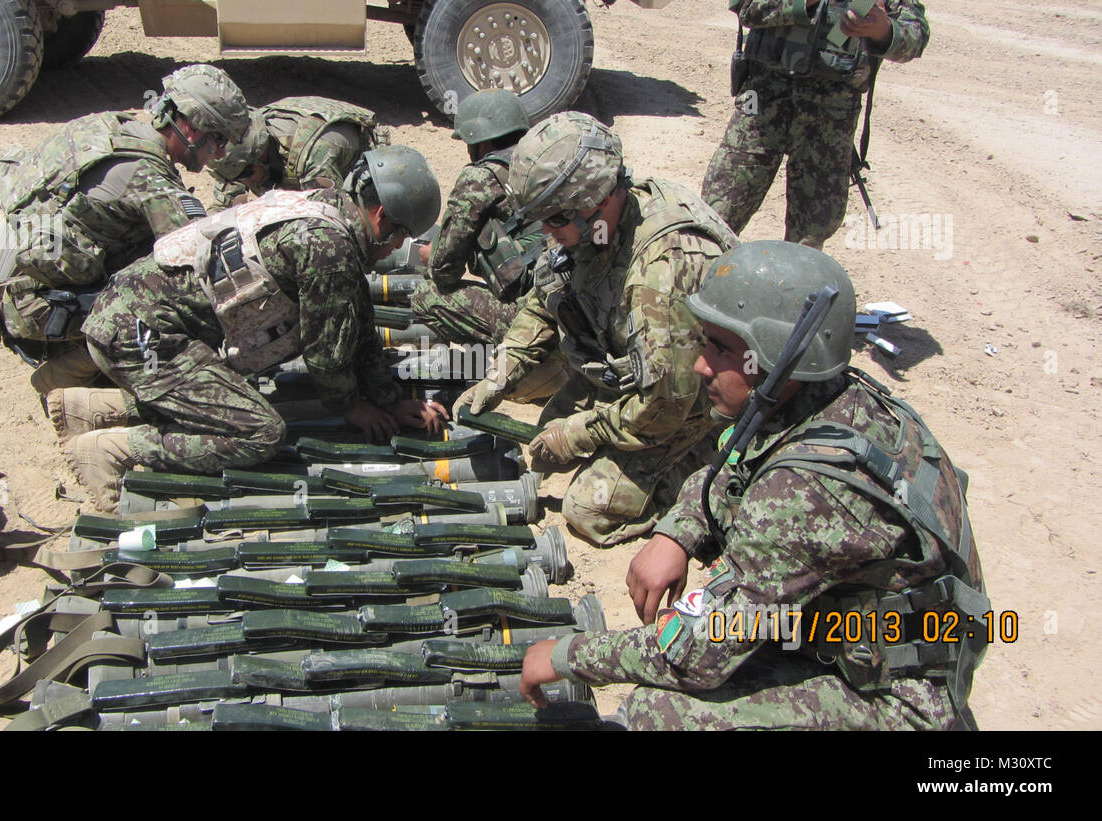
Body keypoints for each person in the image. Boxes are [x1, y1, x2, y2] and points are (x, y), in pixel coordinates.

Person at [518, 240, 988, 730]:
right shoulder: (828, 397)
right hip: (856, 643)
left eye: (720, 347)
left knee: (659, 714)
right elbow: (732, 468)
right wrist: (676, 531)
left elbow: (697, 653)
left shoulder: (810, 490)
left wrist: (568, 655)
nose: (701, 364)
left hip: (900, 702)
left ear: (777, 355)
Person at [61, 146, 447, 511]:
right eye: (399, 237)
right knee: (259, 433)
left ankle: (92, 409)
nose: (393, 248)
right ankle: (116, 449)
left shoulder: (325, 207)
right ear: (381, 217)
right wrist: (352, 407)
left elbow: (356, 315)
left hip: (141, 318)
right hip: (141, 338)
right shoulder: (330, 248)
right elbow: (326, 354)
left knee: (221, 391)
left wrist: (389, 399)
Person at [455, 112, 738, 546]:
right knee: (547, 435)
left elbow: (664, 406)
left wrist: (578, 434)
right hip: (635, 374)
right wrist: (502, 370)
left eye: (554, 221)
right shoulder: (590, 224)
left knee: (588, 508)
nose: (547, 232)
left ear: (595, 202)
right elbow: (547, 297)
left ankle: (714, 468)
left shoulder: (661, 273)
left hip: (694, 403)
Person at [0, 64, 250, 396]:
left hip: (2, 285)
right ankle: (62, 376)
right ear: (190, 127)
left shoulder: (110, 128)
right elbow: (201, 267)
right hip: (34, 311)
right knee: (177, 305)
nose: (219, 153)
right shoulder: (151, 180)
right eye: (217, 140)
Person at [701, 0, 930, 249]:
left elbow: (915, 36)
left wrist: (882, 30)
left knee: (810, 236)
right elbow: (745, 7)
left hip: (831, 117)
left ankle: (795, 286)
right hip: (761, 101)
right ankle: (698, 281)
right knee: (717, 214)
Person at [407, 88, 545, 348]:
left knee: (425, 295)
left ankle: (493, 361)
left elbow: (444, 270)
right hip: (570, 302)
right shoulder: (544, 163)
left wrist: (430, 254)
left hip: (535, 316)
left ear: (481, 143)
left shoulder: (480, 179)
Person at [207, 96, 379, 208]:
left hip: (363, 153)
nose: (246, 181)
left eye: (246, 173)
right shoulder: (238, 157)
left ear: (260, 154)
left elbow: (334, 219)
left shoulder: (313, 157)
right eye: (237, 177)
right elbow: (221, 210)